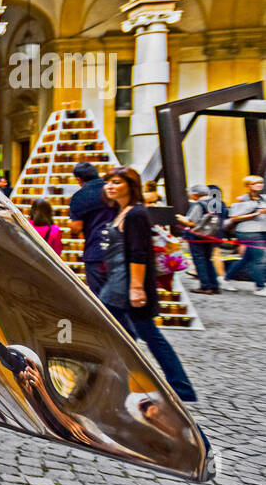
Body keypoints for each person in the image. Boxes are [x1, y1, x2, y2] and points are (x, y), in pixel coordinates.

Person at [97, 167, 197, 402]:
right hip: (118, 281)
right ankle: (130, 380)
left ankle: (177, 386)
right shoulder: (123, 211)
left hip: (127, 285)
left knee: (139, 333)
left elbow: (139, 252)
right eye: (108, 182)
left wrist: (137, 288)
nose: (110, 186)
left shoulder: (136, 214)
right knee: (134, 333)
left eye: (116, 182)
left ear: (130, 185)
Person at [68, 162, 110, 293]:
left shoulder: (79, 196)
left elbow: (76, 227)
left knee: (100, 297)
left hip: (96, 252)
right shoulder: (112, 190)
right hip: (120, 250)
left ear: (79, 179)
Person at [221, 175, 266, 296]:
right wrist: (256, 213)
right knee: (260, 258)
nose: (259, 185)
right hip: (248, 232)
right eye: (256, 183)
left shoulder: (263, 198)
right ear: (248, 186)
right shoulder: (242, 199)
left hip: (262, 231)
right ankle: (260, 287)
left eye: (260, 182)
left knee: (247, 258)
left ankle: (225, 279)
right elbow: (234, 217)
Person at [177, 184, 222, 294]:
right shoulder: (214, 203)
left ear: (195, 195)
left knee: (199, 260)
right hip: (211, 235)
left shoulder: (198, 204)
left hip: (197, 236)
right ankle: (214, 285)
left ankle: (205, 286)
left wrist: (180, 218)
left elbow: (192, 222)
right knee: (208, 259)